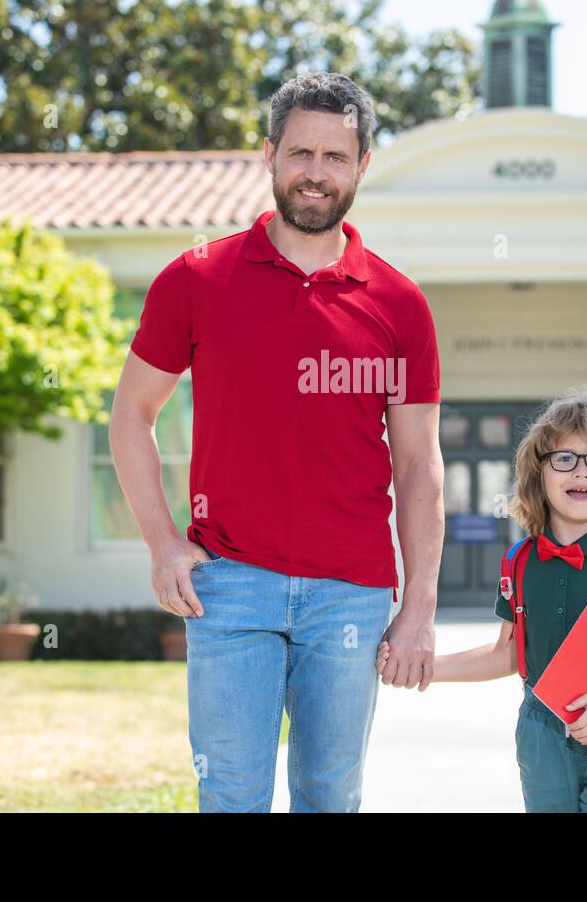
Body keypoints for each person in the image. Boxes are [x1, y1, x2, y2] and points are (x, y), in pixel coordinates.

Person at [109, 71, 444, 812]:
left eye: (334, 156)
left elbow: (420, 465)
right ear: (268, 155)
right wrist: (162, 543)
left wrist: (417, 603)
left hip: (352, 596)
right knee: (231, 794)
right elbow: (131, 413)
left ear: (362, 166)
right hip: (229, 587)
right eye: (300, 153)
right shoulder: (196, 279)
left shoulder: (400, 304)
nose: (315, 173)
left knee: (330, 796)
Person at [377, 386, 587, 812]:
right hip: (541, 731)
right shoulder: (519, 562)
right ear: (538, 474)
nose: (581, 472)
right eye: (564, 459)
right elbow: (507, 656)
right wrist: (425, 668)